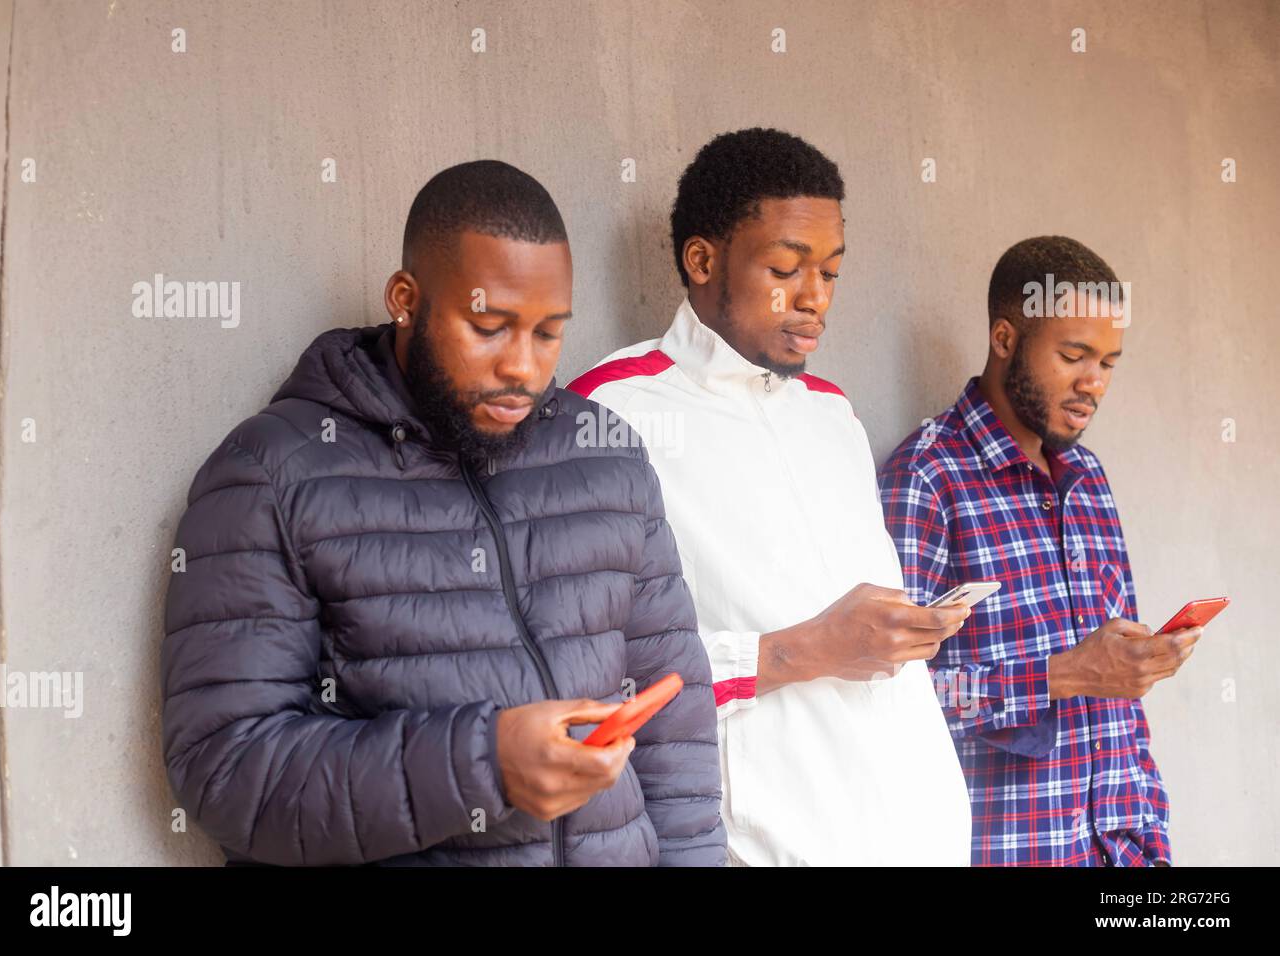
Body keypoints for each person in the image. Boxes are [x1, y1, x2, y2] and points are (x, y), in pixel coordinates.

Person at [161, 160, 726, 866]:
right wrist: (480, 765)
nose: (523, 367)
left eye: (549, 333)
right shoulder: (272, 475)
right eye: (489, 326)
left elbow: (676, 739)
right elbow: (225, 769)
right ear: (406, 298)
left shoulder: (605, 458)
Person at [569, 129, 971, 865]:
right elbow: (588, 673)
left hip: (921, 833)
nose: (815, 297)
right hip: (766, 845)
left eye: (832, 273)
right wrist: (798, 651)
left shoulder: (832, 414)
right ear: (702, 261)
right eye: (787, 268)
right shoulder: (609, 412)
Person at [879, 235, 1200, 865]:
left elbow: (1121, 709)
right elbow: (893, 700)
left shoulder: (1088, 479)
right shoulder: (926, 477)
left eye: (1108, 362)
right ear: (1005, 339)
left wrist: (1151, 846)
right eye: (1074, 355)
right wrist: (1062, 674)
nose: (1094, 383)